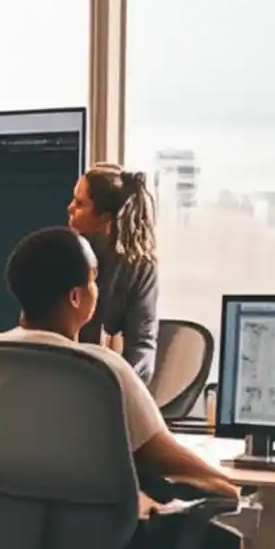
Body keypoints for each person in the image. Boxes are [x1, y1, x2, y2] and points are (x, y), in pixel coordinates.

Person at [0, 226, 241, 549]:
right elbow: (170, 460)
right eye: (94, 278)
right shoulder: (100, 369)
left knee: (114, 521)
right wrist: (234, 486)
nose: (97, 289)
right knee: (232, 547)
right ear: (76, 296)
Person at [67, 163, 159, 384]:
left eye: (80, 204)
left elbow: (141, 346)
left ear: (105, 217)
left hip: (109, 387)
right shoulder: (63, 252)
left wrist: (118, 388)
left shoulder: (139, 267)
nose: (69, 208)